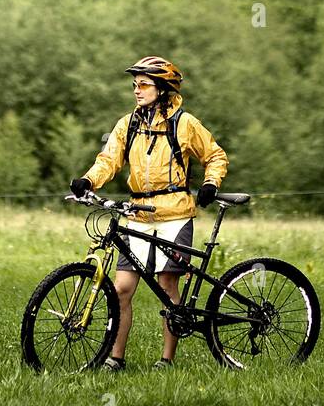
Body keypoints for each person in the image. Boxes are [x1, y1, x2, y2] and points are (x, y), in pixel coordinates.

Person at [70, 56, 228, 370]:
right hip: (138, 214)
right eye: (135, 85)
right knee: (122, 289)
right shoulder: (128, 123)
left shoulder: (184, 123)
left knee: (168, 285)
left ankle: (166, 360)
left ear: (164, 89)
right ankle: (116, 358)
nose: (136, 91)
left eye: (143, 85)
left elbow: (215, 155)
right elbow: (109, 159)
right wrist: (89, 179)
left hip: (175, 214)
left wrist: (211, 182)